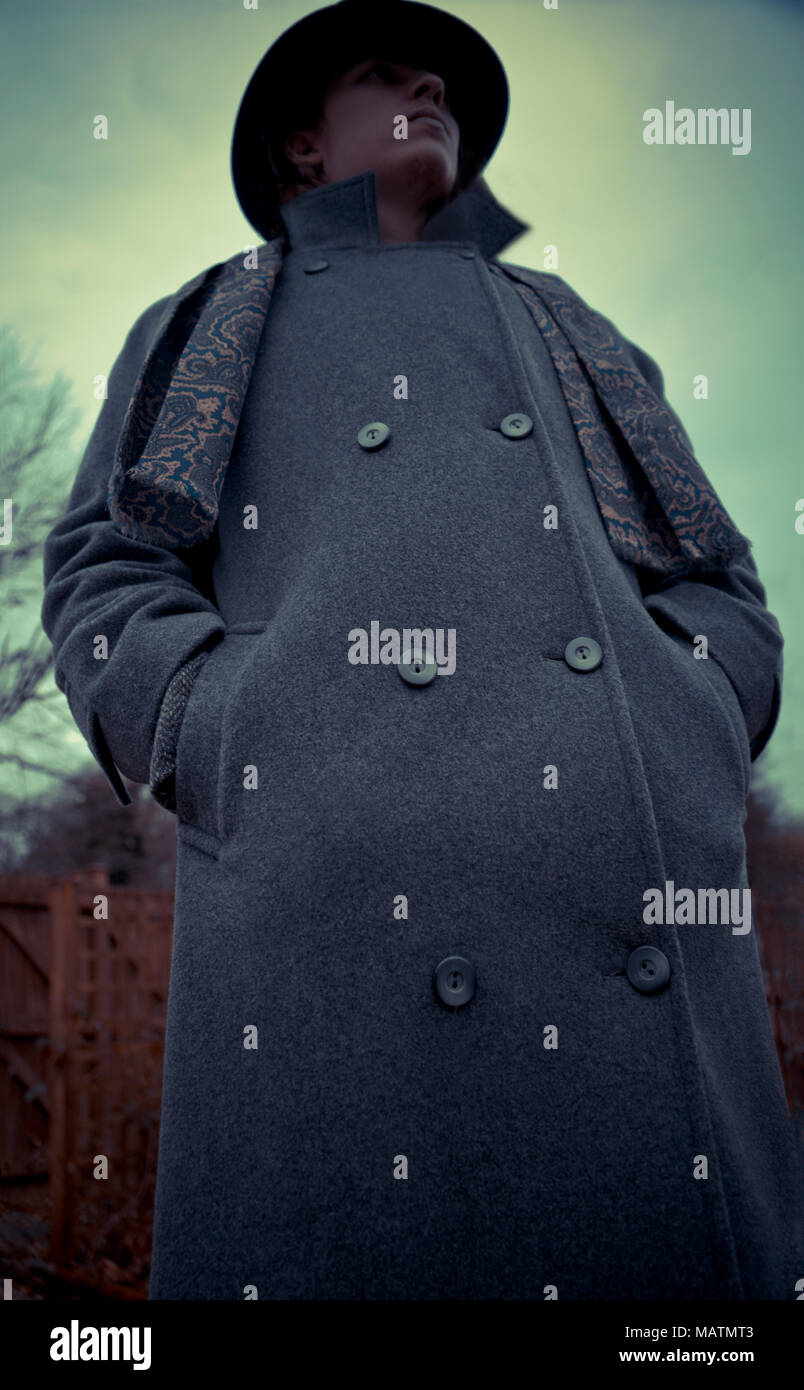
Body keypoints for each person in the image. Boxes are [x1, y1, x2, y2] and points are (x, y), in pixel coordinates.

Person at [41, 0, 801, 1300]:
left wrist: (699, 717)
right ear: (299, 146)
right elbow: (104, 572)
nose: (429, 83)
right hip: (338, 937)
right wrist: (221, 731)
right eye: (385, 73)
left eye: (436, 73)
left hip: (638, 901)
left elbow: (722, 577)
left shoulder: (575, 327)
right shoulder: (212, 318)